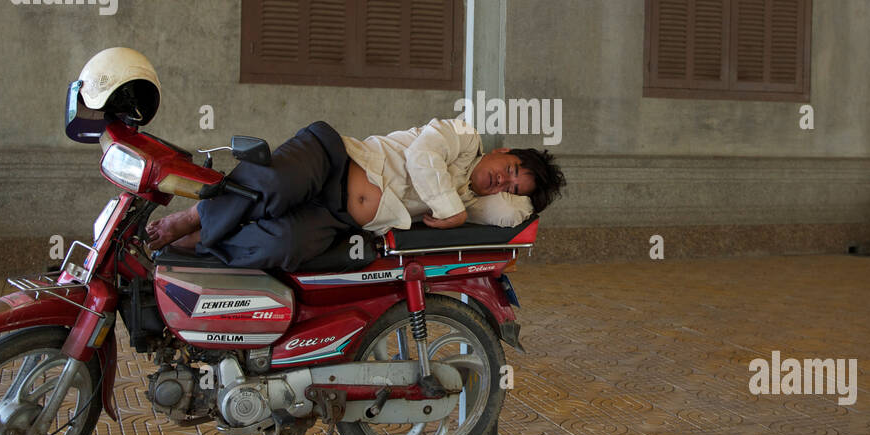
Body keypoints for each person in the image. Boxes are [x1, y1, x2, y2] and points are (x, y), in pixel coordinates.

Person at [146, 117, 566, 272]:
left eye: (512, 189)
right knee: (274, 186)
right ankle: (186, 219)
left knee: (283, 246)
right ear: (501, 152)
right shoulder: (462, 137)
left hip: (339, 219)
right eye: (509, 172)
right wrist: (450, 209)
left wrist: (477, 209)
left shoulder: (472, 206)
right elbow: (422, 155)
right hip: (333, 159)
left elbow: (508, 216)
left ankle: (194, 246)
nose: (501, 183)